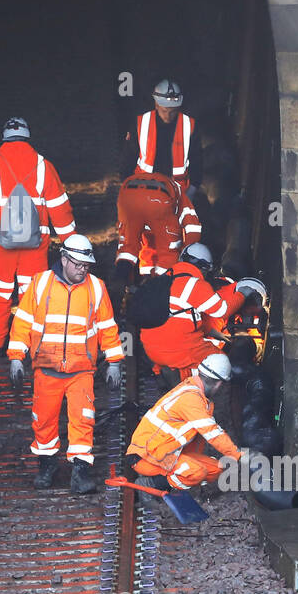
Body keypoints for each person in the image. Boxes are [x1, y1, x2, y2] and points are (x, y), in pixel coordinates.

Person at [7, 235, 123, 494]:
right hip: (47, 368)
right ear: (64, 259)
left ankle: (81, 473)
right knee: (44, 421)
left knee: (83, 420)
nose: (83, 269)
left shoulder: (96, 287)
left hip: (81, 369)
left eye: (86, 265)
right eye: (78, 264)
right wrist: (16, 356)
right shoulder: (40, 284)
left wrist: (114, 362)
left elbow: (107, 327)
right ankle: (47, 466)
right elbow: (23, 323)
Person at [0, 117, 78, 347]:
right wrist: (73, 243)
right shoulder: (44, 165)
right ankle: (30, 346)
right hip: (35, 243)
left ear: (4, 138)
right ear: (28, 137)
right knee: (33, 296)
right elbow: (59, 206)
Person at [140, 243, 267, 382]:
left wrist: (214, 333)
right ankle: (212, 396)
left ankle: (169, 376)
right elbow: (222, 311)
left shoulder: (165, 277)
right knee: (221, 365)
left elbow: (183, 318)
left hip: (151, 347)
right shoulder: (196, 285)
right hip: (175, 349)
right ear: (205, 268)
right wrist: (242, 294)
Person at [126, 353, 241, 492]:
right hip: (147, 457)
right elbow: (213, 434)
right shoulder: (191, 399)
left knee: (216, 469)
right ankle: (149, 484)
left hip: (166, 454)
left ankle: (176, 480)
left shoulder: (197, 395)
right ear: (219, 383)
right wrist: (238, 455)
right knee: (198, 472)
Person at [122, 79, 201, 273]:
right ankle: (146, 276)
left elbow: (198, 159)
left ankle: (171, 275)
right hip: (146, 189)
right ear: (156, 104)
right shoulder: (141, 123)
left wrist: (193, 189)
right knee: (147, 236)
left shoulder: (189, 126)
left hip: (177, 191)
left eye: (173, 110)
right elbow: (128, 157)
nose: (169, 114)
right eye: (165, 110)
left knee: (174, 235)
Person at [113, 170, 202, 287]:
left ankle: (118, 284)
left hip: (127, 193)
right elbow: (192, 227)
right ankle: (161, 288)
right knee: (169, 251)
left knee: (128, 248)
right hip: (158, 199)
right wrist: (187, 252)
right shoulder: (180, 194)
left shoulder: (166, 185)